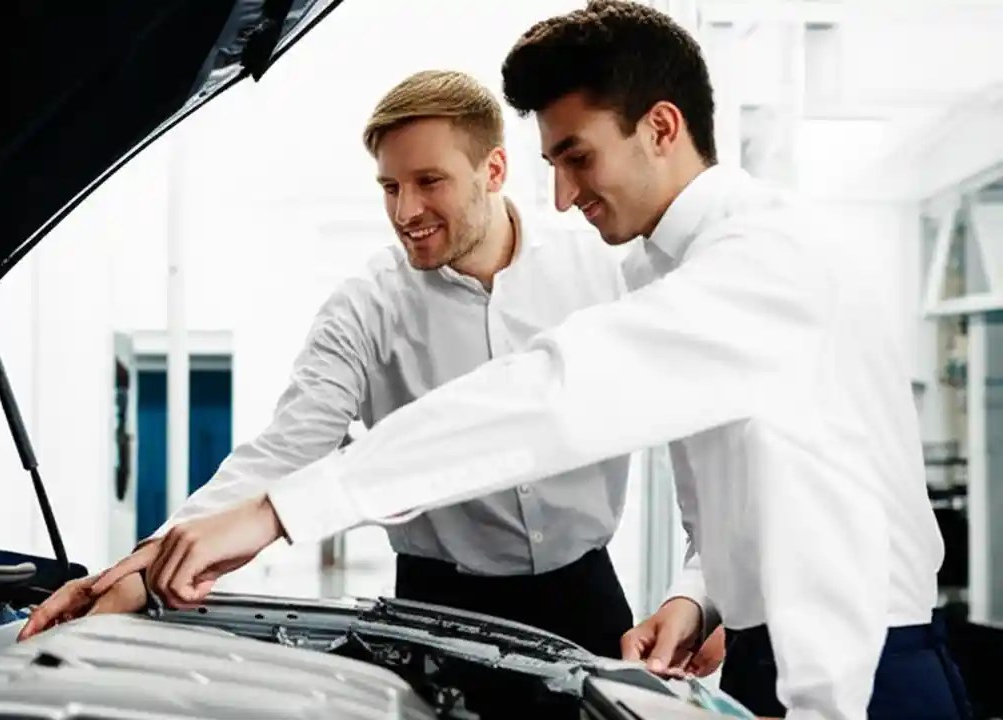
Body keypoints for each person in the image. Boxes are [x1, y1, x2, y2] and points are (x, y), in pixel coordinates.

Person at [126, 3, 972, 719]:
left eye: (578, 157)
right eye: (554, 163)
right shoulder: (664, 269)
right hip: (693, 639)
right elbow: (755, 481)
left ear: (662, 127)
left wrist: (282, 512)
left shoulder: (759, 260)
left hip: (858, 669)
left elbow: (554, 396)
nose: (563, 194)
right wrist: (705, 594)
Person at [18, 68, 687, 662]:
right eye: (390, 186)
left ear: (493, 171)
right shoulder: (366, 309)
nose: (405, 211)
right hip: (435, 609)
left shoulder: (601, 275)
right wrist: (142, 565)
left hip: (586, 599)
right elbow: (283, 455)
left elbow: (693, 426)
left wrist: (701, 588)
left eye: (429, 182)